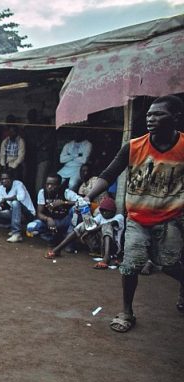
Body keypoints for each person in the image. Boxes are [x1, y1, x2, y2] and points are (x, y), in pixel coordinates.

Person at [83, 95, 184, 333]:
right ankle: (127, 311)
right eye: (149, 114)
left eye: (158, 114)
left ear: (176, 118)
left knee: (169, 264)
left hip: (171, 218)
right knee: (130, 266)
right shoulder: (134, 146)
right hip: (137, 218)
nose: (151, 118)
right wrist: (88, 196)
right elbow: (109, 174)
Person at [46, 196, 124, 268]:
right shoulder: (100, 216)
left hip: (113, 249)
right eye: (102, 210)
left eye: (107, 211)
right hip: (99, 246)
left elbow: (107, 224)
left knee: (106, 226)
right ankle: (57, 249)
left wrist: (90, 231)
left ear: (113, 211)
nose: (104, 213)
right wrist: (87, 224)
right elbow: (91, 225)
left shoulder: (119, 217)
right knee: (84, 224)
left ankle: (106, 258)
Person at [26, 174, 79, 248]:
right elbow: (39, 213)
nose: (49, 187)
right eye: (47, 184)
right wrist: (48, 219)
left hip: (65, 221)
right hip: (50, 222)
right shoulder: (42, 192)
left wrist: (64, 202)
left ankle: (68, 237)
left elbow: (82, 202)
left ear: (58, 185)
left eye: (53, 184)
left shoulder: (66, 192)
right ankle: (53, 238)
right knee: (31, 228)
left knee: (76, 209)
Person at [0, 171, 36, 243]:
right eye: (1, 179)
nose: (3, 181)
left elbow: (21, 197)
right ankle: (14, 227)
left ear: (11, 179)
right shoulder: (1, 188)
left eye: (5, 179)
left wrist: (6, 199)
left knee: (15, 203)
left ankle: (16, 234)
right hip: (14, 214)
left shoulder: (18, 184)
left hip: (27, 214)